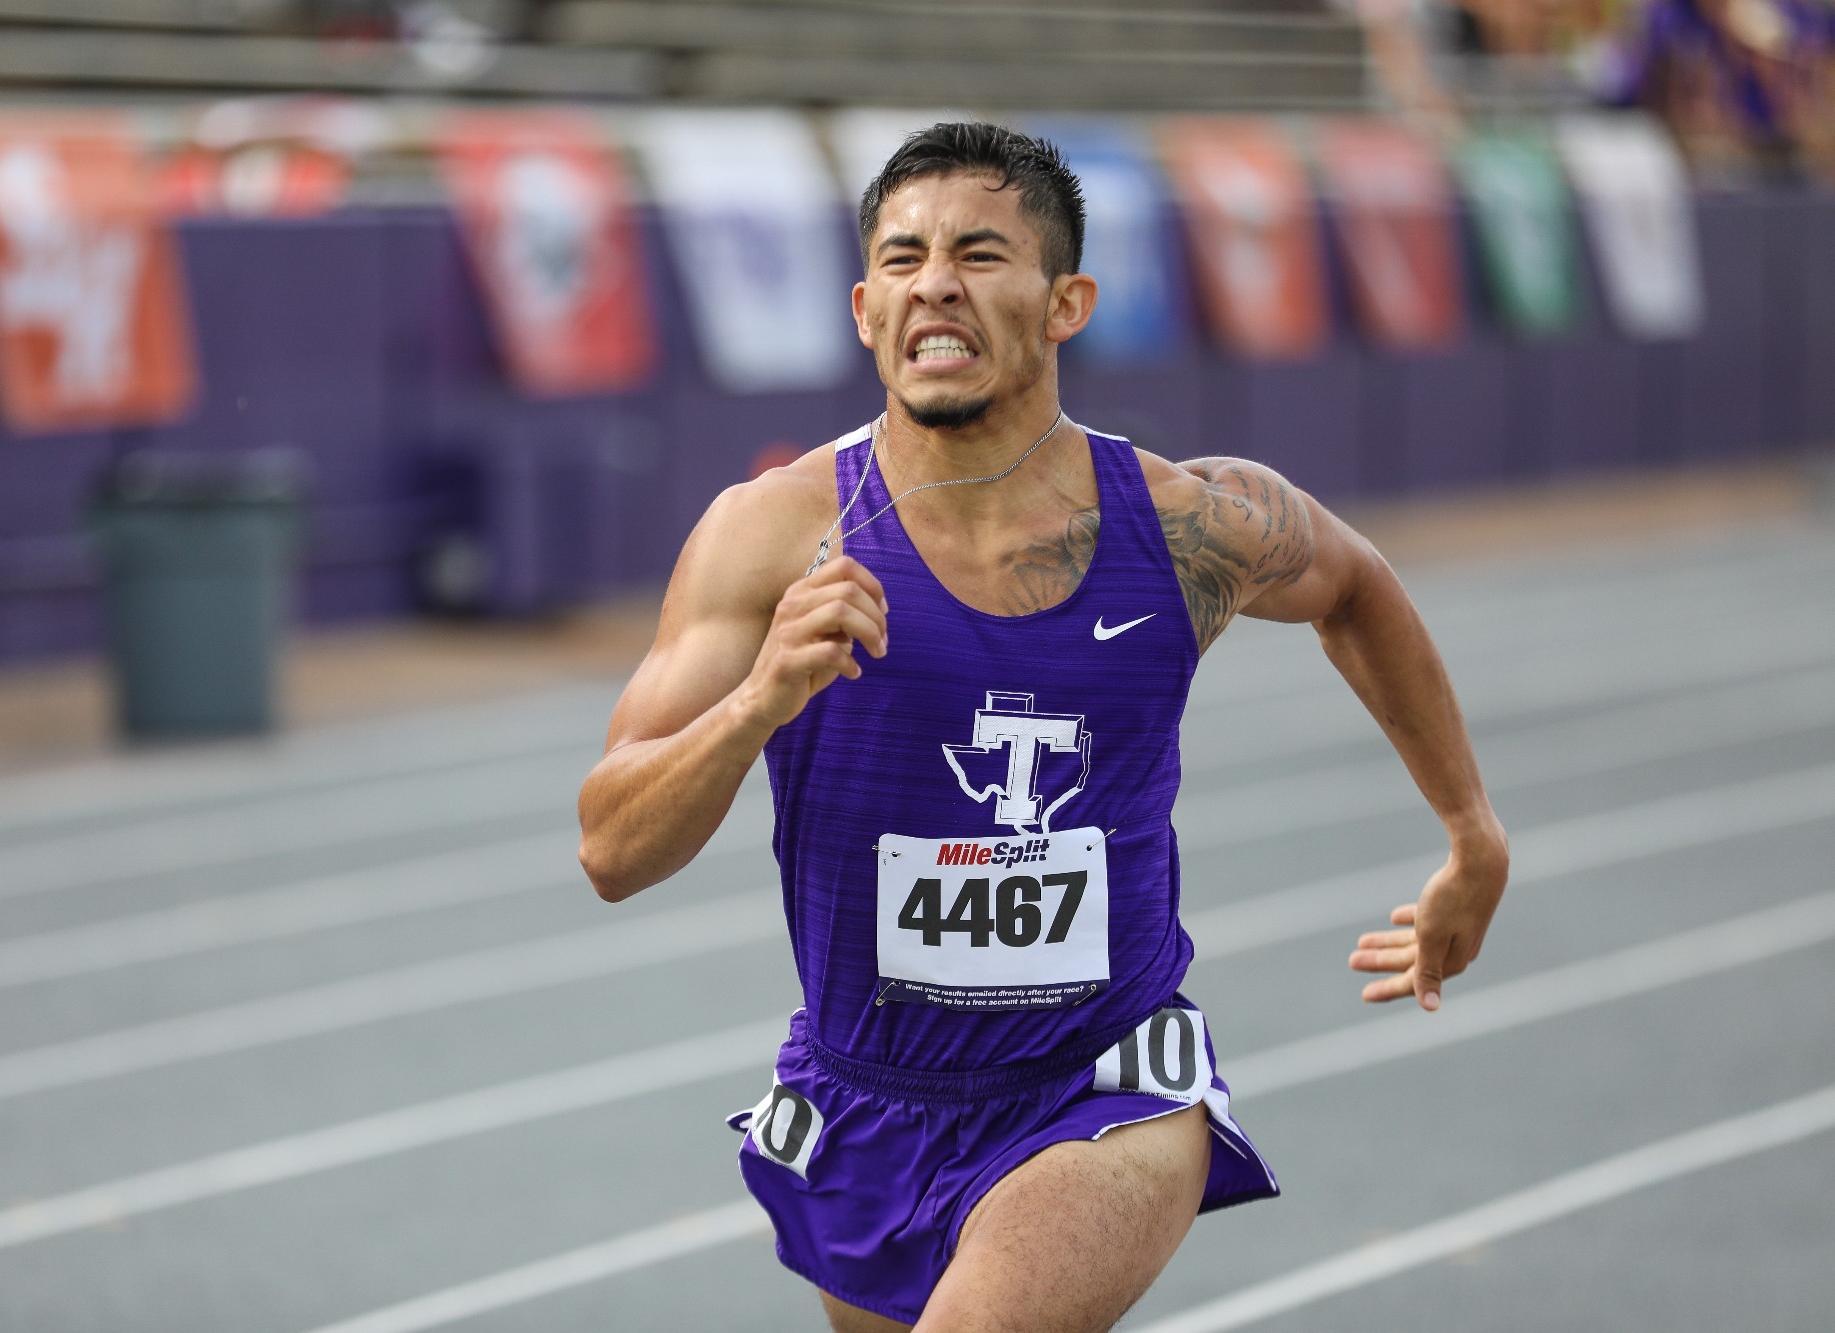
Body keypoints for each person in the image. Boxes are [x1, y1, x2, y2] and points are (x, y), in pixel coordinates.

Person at [577, 123, 1509, 1333]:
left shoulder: (1185, 525)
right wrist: (760, 697)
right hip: (865, 1095)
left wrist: (1469, 834)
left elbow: (1355, 585)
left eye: (978, 252)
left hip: (1101, 1079)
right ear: (865, 309)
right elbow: (610, 848)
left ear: (1066, 301)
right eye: (903, 259)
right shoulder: (769, 536)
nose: (936, 283)